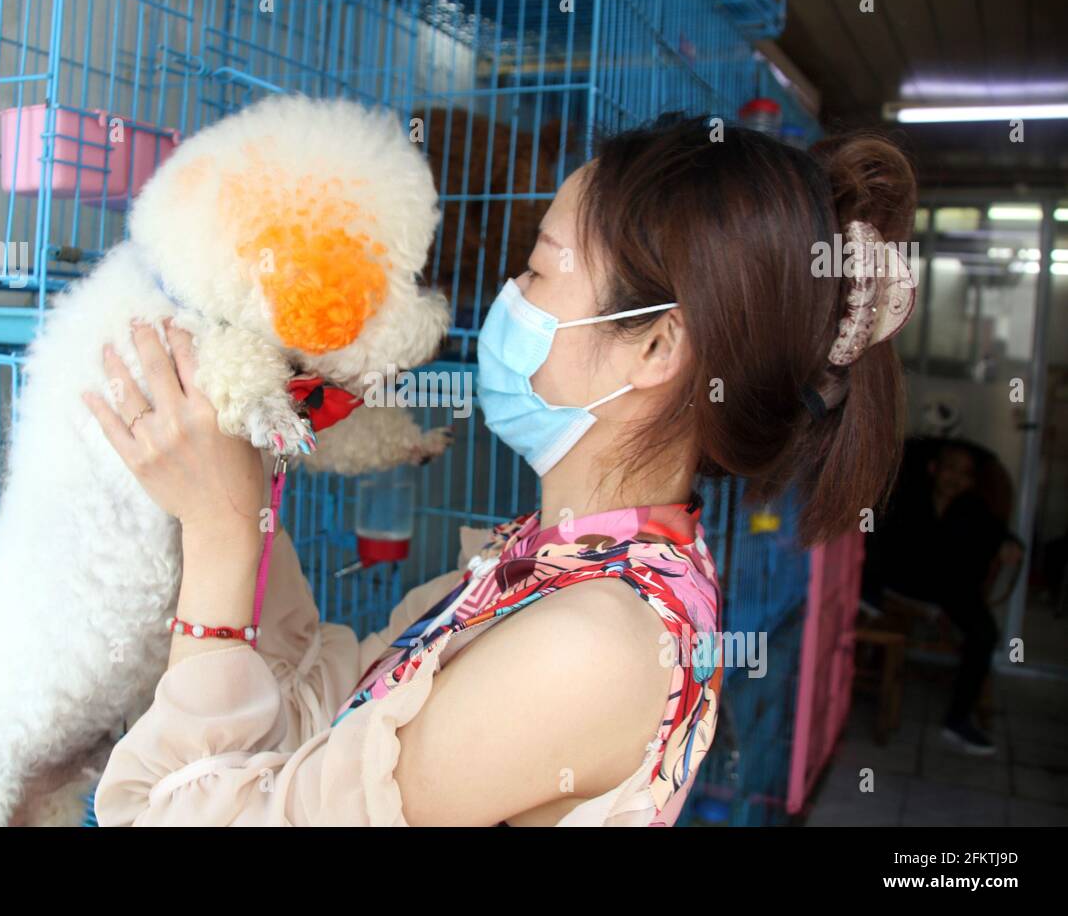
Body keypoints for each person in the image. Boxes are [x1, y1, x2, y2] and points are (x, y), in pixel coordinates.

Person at [81, 115, 916, 826]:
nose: (505, 296)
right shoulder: (561, 560)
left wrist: (225, 536)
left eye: (537, 268)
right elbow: (330, 720)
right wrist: (243, 489)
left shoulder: (593, 650)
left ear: (659, 345)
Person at [862, 438, 1023, 756]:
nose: (956, 478)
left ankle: (958, 720)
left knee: (985, 633)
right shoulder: (907, 498)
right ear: (934, 469)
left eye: (965, 474)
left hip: (952, 589)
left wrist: (1009, 544)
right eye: (950, 469)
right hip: (902, 584)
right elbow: (874, 540)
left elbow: (1000, 534)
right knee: (867, 555)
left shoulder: (974, 509)